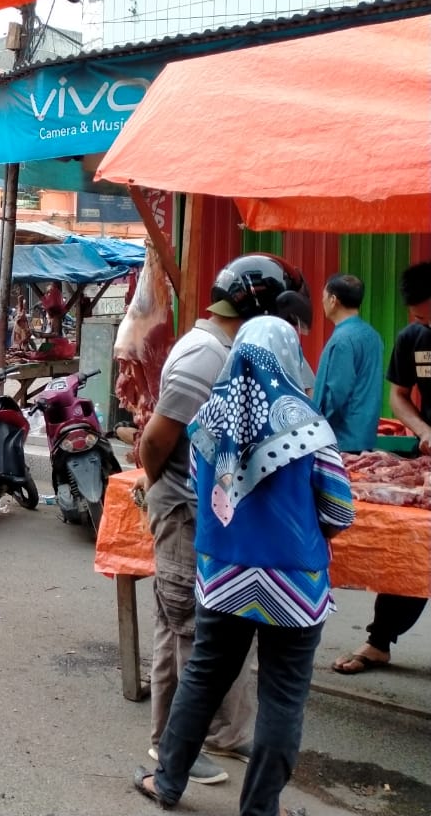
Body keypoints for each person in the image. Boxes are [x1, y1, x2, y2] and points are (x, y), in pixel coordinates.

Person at [133, 316, 354, 815]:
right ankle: (259, 810)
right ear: (289, 357)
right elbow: (339, 511)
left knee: (204, 679)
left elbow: (203, 495)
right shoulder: (310, 428)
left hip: (223, 578)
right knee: (283, 698)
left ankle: (167, 783)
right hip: (294, 587)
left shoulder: (208, 425)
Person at [134, 253, 310, 785]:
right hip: (189, 512)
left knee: (182, 628)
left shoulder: (228, 351)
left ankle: (204, 740)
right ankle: (174, 751)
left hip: (198, 511)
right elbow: (156, 442)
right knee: (189, 633)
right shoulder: (205, 357)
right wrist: (171, 490)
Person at [332, 260, 431, 675]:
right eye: (420, 316)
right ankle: (379, 642)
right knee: (413, 547)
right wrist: (423, 428)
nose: (423, 321)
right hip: (428, 460)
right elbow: (399, 397)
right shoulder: (414, 338)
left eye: (428, 313)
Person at [314, 273, 385, 454]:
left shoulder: (342, 340)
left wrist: (316, 428)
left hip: (341, 442)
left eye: (323, 297)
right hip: (365, 437)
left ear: (333, 300)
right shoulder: (373, 336)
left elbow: (338, 391)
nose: (322, 302)